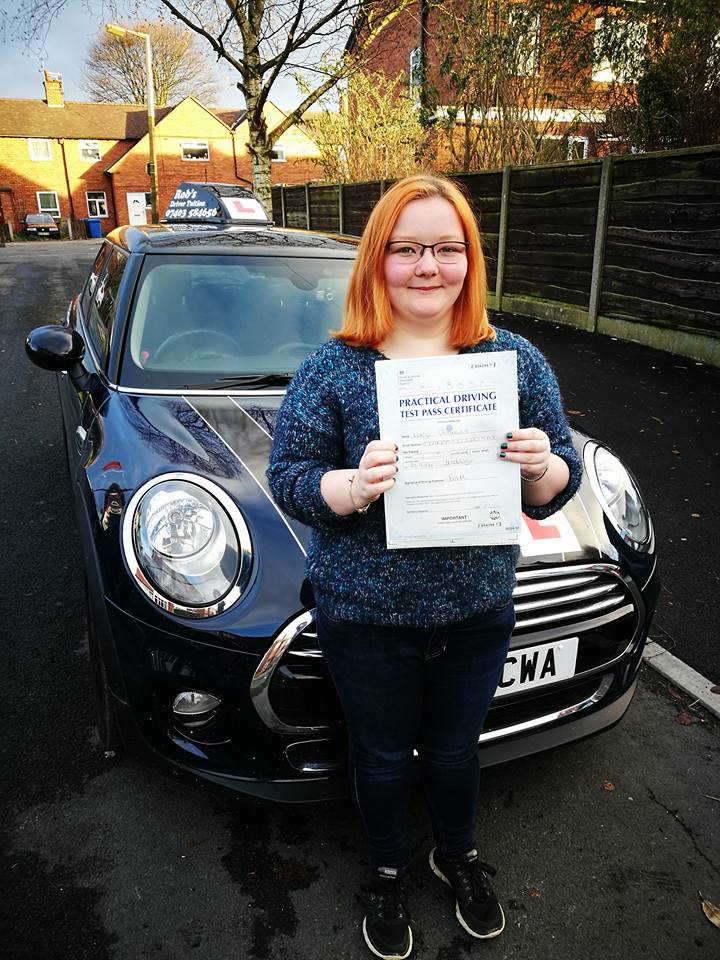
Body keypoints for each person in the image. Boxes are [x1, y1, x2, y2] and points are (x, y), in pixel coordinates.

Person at [267, 174, 582, 960]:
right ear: (378, 261)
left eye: (446, 248)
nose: (427, 266)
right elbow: (290, 478)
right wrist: (348, 485)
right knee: (376, 758)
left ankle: (457, 854)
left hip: (477, 610)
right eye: (407, 249)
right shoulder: (334, 368)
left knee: (453, 753)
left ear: (470, 261)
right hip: (366, 618)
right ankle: (383, 868)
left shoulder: (512, 361)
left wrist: (541, 466)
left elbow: (557, 482)